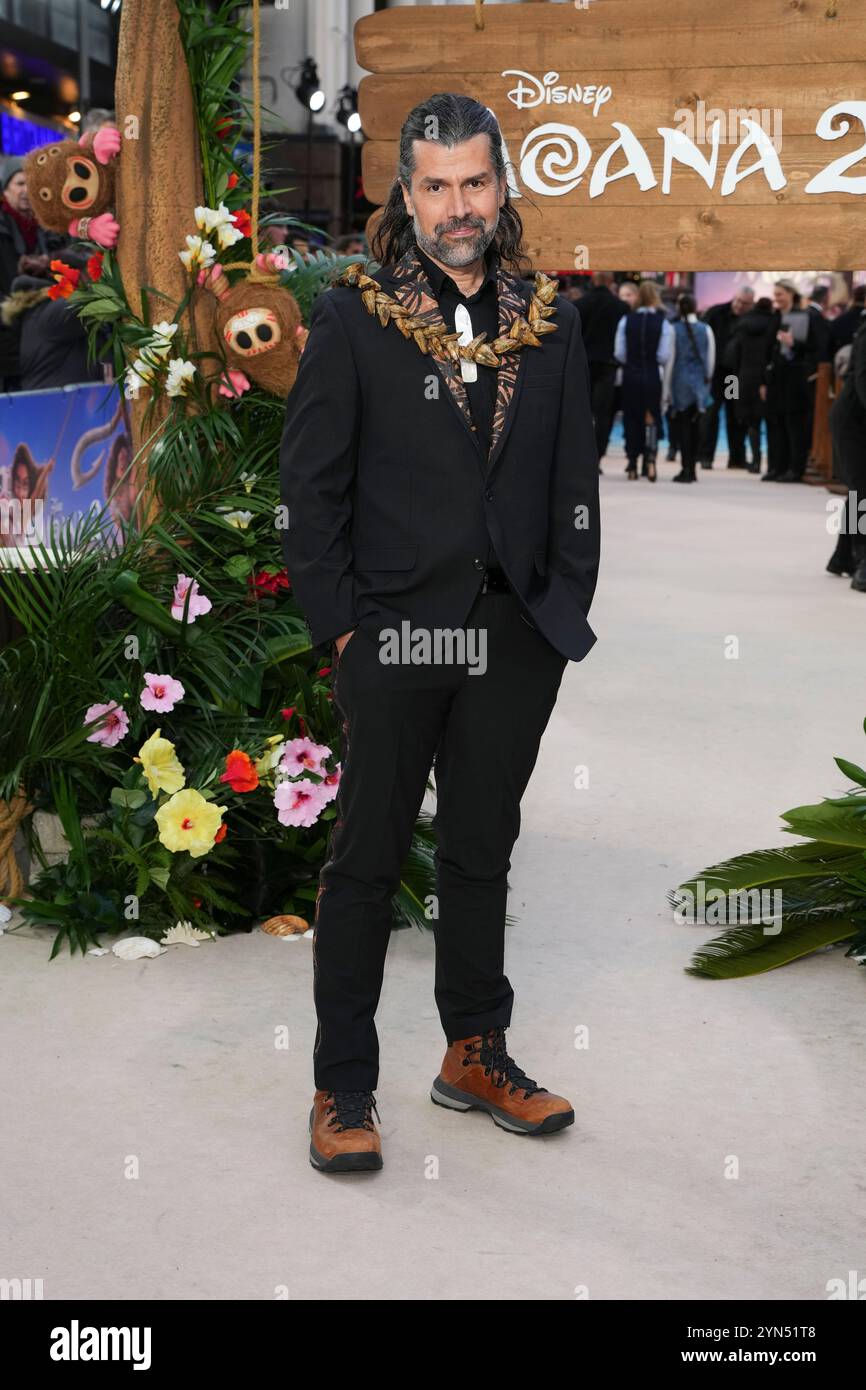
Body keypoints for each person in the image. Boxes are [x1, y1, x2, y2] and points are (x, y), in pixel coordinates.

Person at [280, 92, 600, 1174]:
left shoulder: (548, 321)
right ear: (400, 193)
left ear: (500, 187)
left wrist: (560, 612)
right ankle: (343, 1085)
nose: (456, 207)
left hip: (513, 629)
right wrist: (343, 634)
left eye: (474, 182)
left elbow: (570, 479)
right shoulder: (353, 316)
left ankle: (475, 1050)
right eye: (435, 185)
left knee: (480, 845)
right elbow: (309, 491)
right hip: (395, 631)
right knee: (366, 857)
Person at [0, 245, 108, 391]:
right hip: (69, 405)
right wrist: (61, 259)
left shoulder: (34, 316)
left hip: (59, 405)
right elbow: (102, 295)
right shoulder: (49, 315)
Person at [761, 278, 820, 482]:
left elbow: (813, 348)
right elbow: (768, 350)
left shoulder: (805, 316)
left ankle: (795, 469)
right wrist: (763, 381)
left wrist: (794, 344)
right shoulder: (775, 317)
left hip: (795, 379)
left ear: (791, 294)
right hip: (776, 378)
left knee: (794, 426)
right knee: (775, 424)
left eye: (780, 294)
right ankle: (776, 467)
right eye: (775, 294)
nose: (776, 298)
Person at [614, 279, 673, 481]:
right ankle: (651, 460)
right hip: (651, 374)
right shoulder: (663, 323)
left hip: (630, 374)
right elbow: (664, 356)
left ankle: (632, 462)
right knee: (651, 418)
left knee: (631, 418)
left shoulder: (626, 321)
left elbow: (619, 353)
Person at [828, 310, 866, 588]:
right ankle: (864, 561)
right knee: (864, 489)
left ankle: (844, 557)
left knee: (860, 489)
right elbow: (864, 380)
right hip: (853, 418)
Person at [575, 271, 627, 472]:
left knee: (580, 413)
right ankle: (597, 458)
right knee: (604, 414)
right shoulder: (621, 308)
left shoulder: (579, 305)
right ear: (612, 282)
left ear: (593, 281)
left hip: (583, 365)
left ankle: (580, 457)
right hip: (608, 365)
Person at [697, 286, 754, 468]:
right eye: (737, 300)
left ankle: (736, 458)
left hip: (733, 377)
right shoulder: (715, 313)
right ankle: (705, 457)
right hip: (714, 374)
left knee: (734, 416)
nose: (739, 305)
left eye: (744, 304)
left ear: (751, 304)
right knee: (710, 415)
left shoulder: (751, 319)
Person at [662, 293, 714, 483]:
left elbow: (670, 361)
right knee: (696, 427)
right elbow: (710, 361)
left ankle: (686, 468)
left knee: (682, 428)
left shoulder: (673, 329)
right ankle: (693, 468)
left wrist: (666, 390)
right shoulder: (706, 329)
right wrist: (706, 381)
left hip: (680, 383)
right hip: (699, 384)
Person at [0, 156, 65, 300]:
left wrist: (47, 262)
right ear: (5, 191)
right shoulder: (3, 227)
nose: (27, 190)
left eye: (32, 184)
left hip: (46, 299)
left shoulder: (47, 224)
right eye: (20, 183)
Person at [728, 295, 774, 473]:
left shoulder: (743, 324)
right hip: (766, 378)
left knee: (751, 422)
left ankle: (755, 459)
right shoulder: (773, 323)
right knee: (771, 422)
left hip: (744, 376)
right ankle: (772, 464)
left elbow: (735, 356)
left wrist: (732, 385)